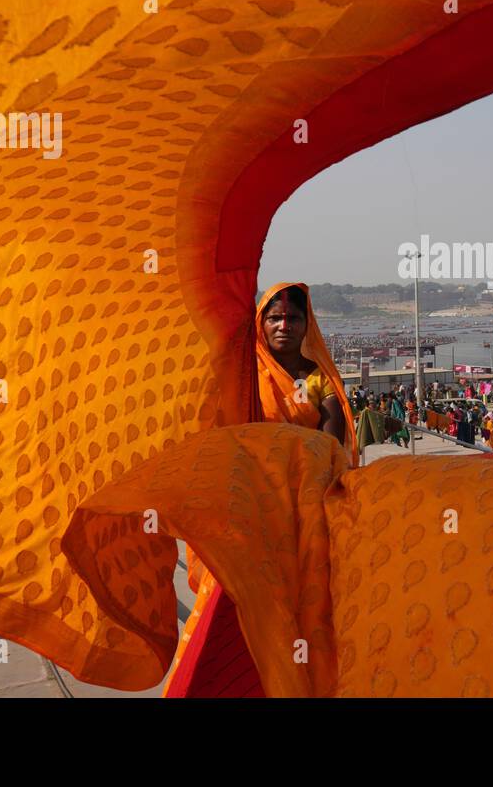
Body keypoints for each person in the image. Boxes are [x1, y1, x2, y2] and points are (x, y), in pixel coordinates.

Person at [166, 282, 354, 698]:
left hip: (304, 516)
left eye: (293, 318)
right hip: (248, 513)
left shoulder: (319, 379)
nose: (284, 325)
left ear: (308, 325)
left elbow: (330, 447)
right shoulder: (242, 376)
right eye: (274, 317)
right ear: (261, 323)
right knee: (234, 616)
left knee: (301, 616)